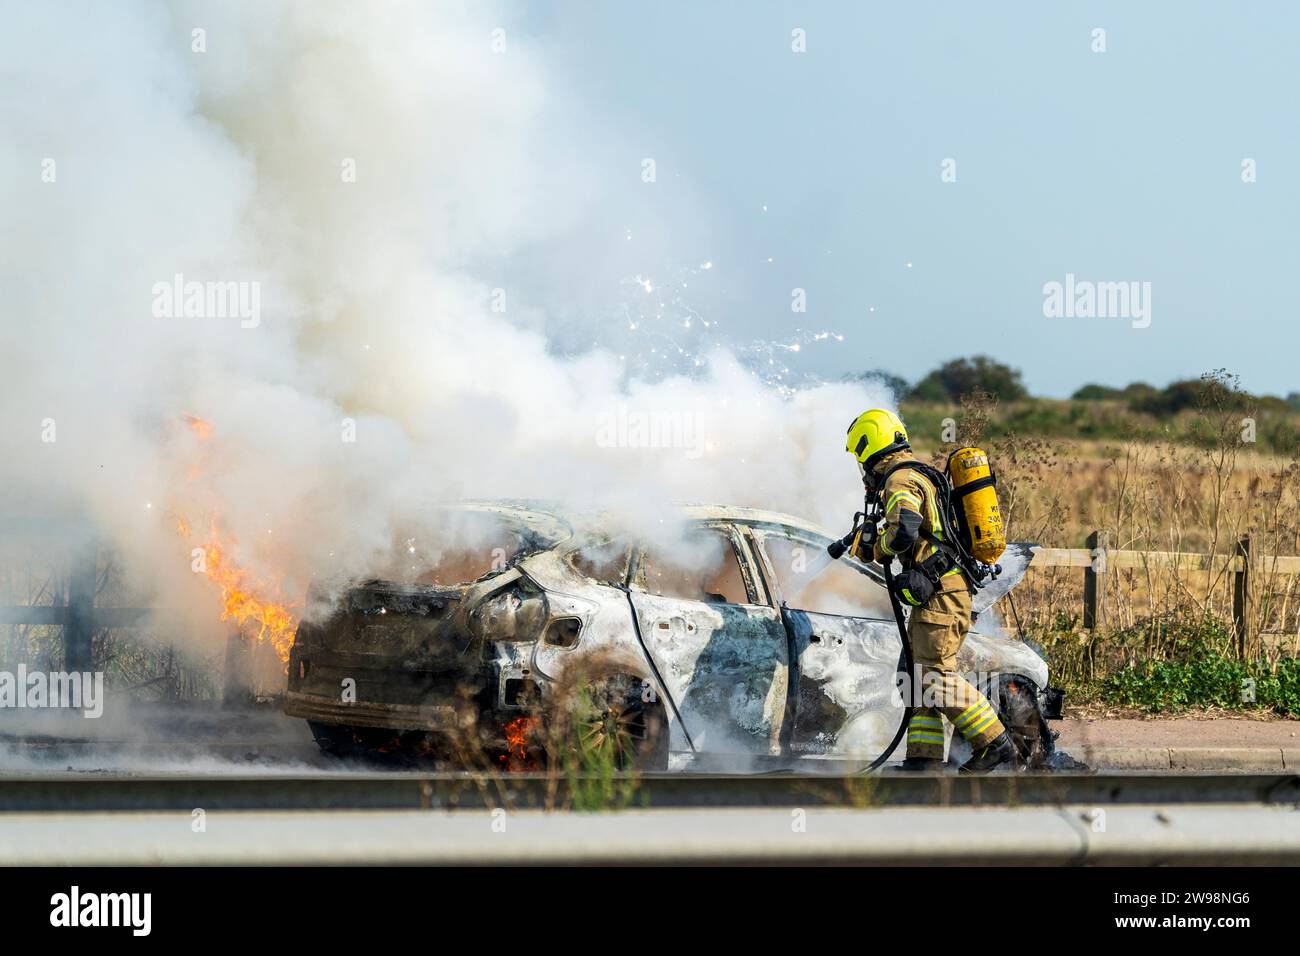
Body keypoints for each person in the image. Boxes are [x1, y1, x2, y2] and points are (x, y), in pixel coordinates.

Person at [844, 408, 1016, 774]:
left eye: (861, 459)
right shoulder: (923, 474)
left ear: (869, 446)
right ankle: (923, 758)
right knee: (916, 672)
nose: (864, 471)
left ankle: (996, 743)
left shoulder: (900, 480)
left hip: (941, 591)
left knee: (933, 675)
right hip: (941, 591)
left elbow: (905, 529)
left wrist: (876, 548)